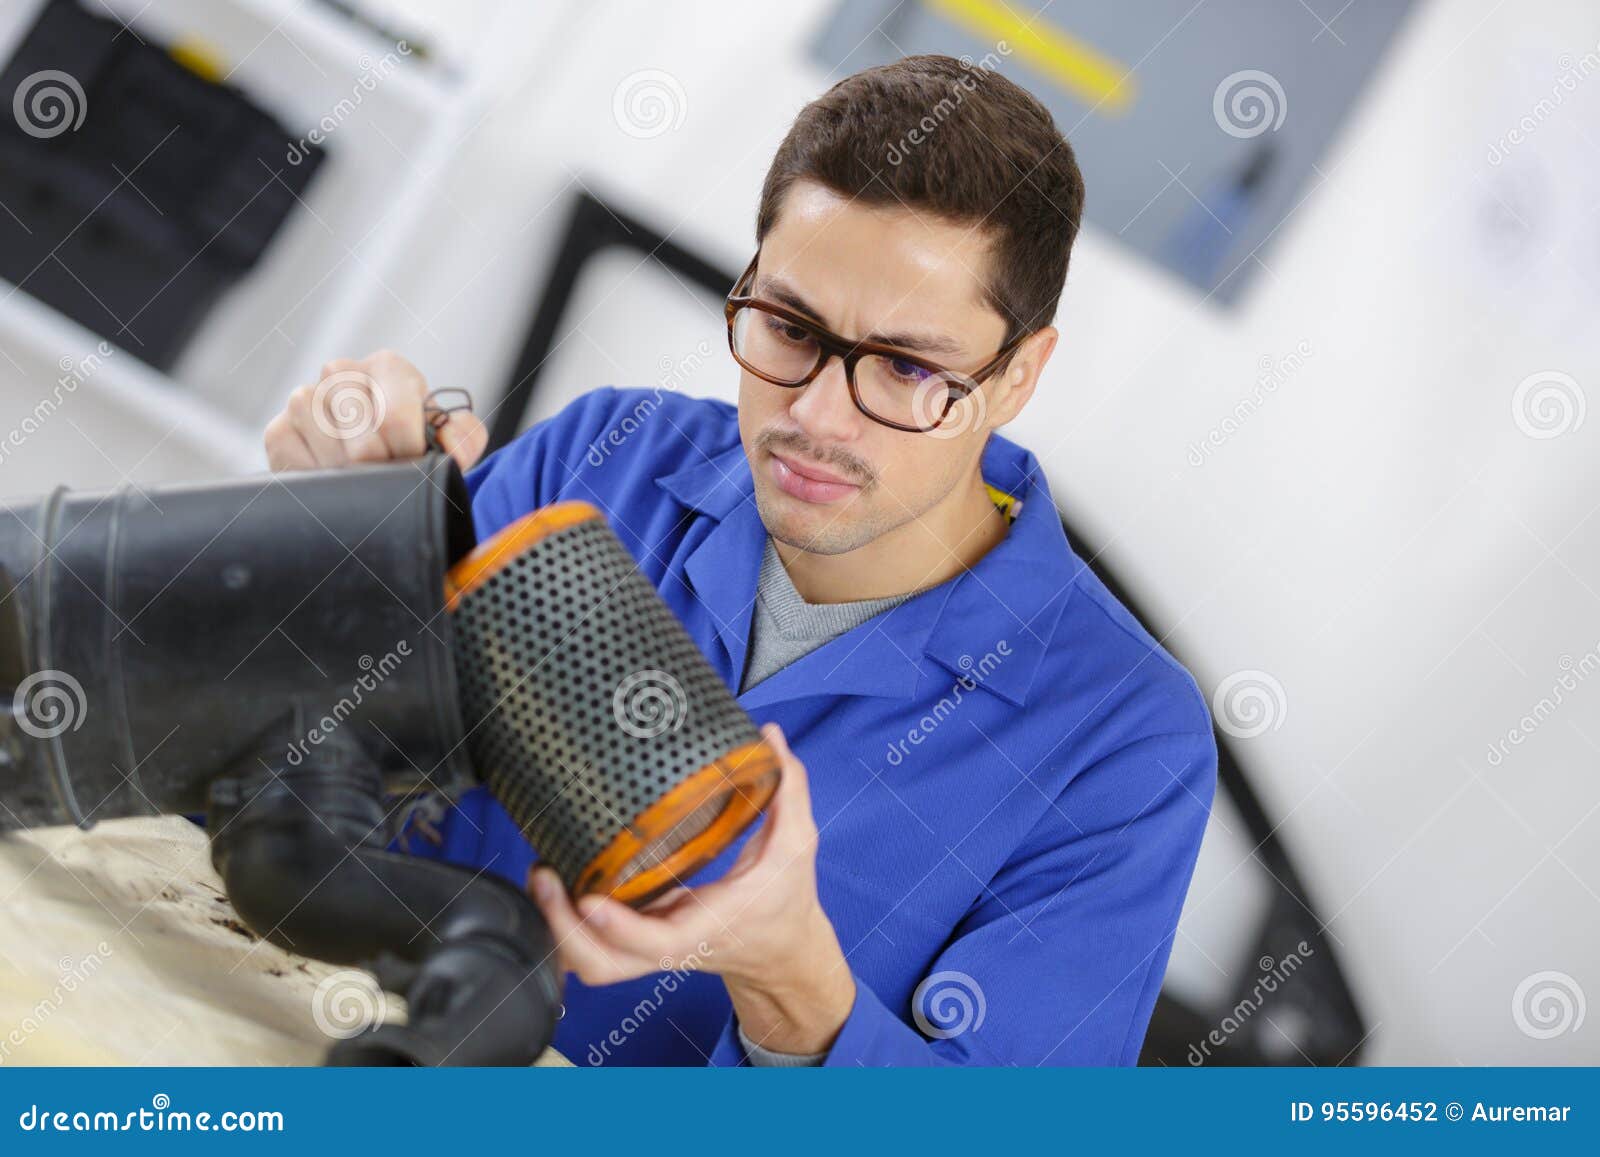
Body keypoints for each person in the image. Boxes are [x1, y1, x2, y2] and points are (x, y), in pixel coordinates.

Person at [264, 54, 1216, 1067]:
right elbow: (282, 772)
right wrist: (329, 539)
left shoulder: (1124, 740)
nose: (812, 415)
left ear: (1017, 375)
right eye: (788, 326)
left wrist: (793, 982)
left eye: (903, 366)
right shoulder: (603, 462)